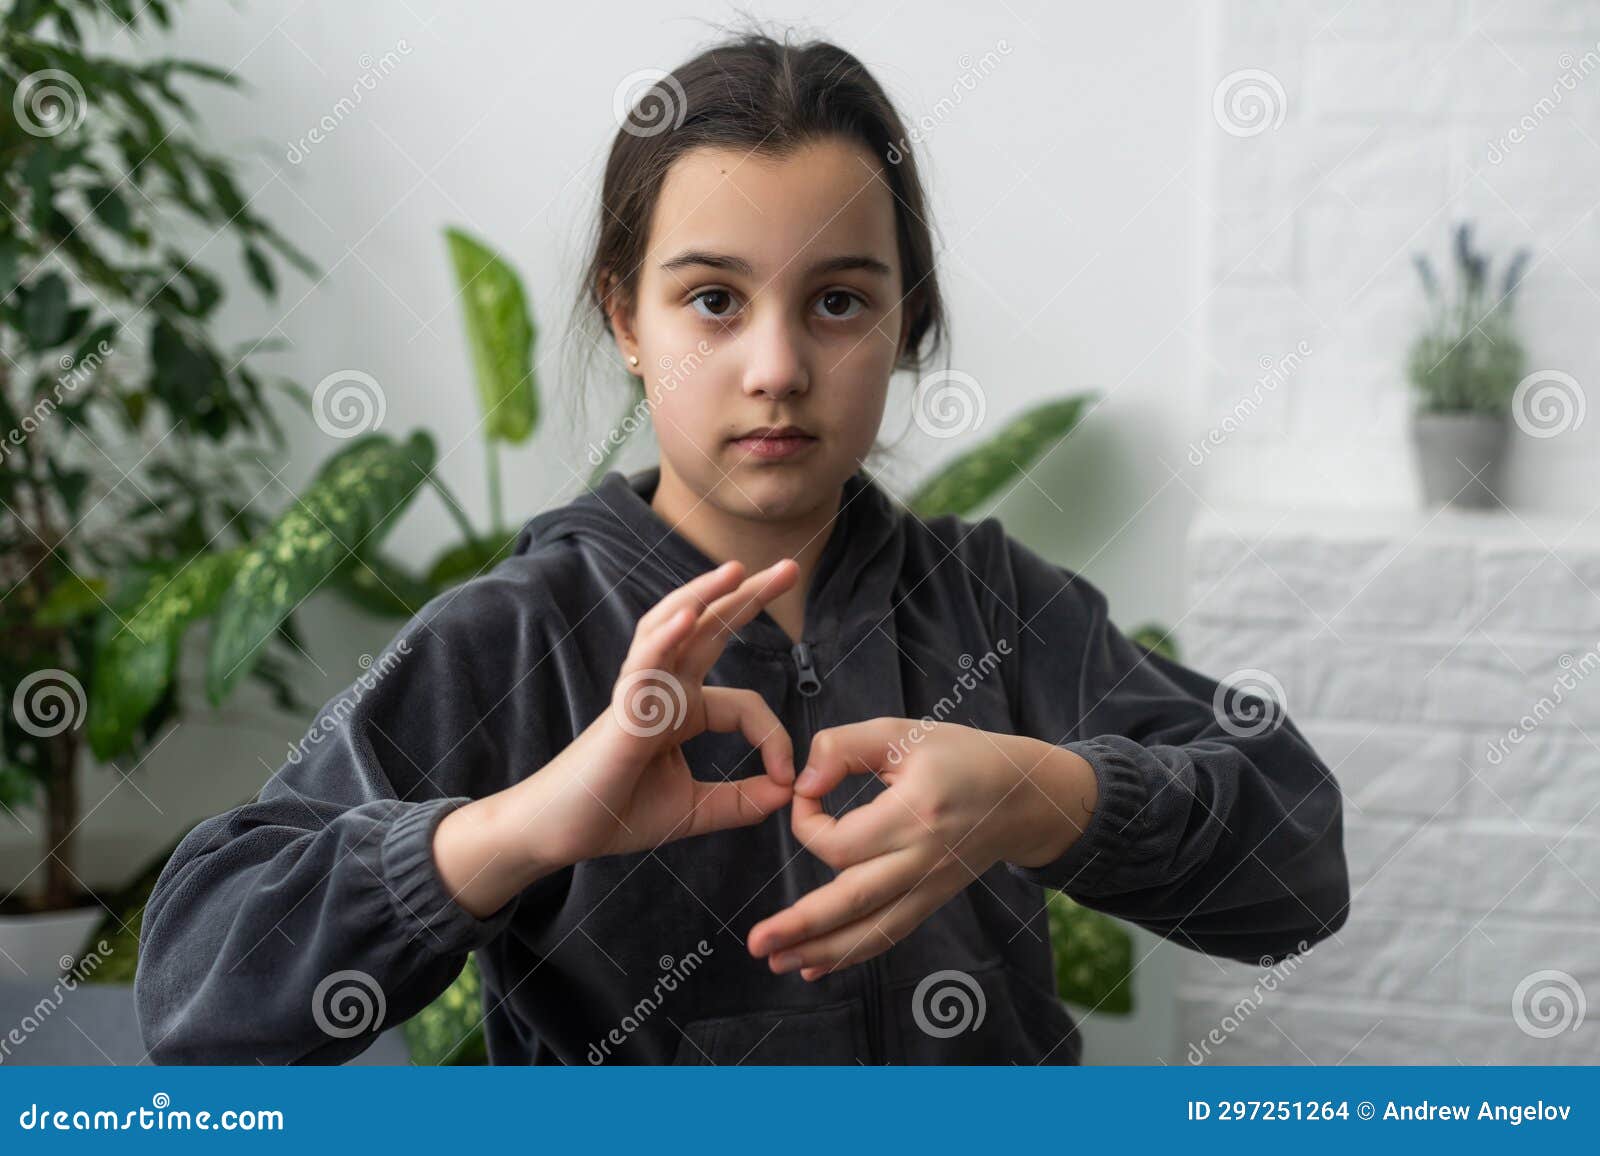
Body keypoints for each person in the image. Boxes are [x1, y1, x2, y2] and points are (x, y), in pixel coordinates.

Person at [135, 29, 1348, 1065]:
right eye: (713, 299)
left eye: (838, 301)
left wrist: (1047, 799)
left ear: (906, 321)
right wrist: (525, 825)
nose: (776, 367)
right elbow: (197, 993)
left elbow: (1297, 871)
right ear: (625, 316)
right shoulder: (512, 635)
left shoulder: (994, 605)